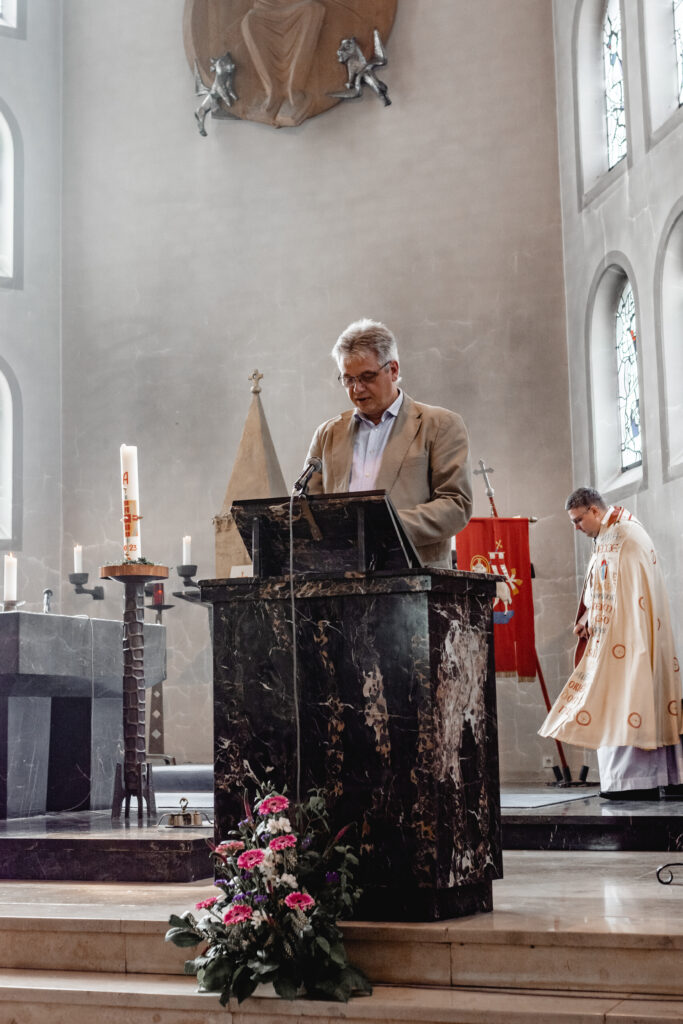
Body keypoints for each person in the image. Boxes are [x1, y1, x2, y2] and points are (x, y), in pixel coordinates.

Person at [539, 487, 683, 799]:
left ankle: (634, 782)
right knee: (623, 699)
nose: (577, 528)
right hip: (616, 633)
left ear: (593, 510)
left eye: (578, 520)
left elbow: (624, 594)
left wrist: (595, 619)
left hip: (628, 639)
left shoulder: (623, 537)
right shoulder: (609, 535)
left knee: (626, 698)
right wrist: (588, 617)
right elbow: (606, 590)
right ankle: (635, 780)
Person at [304, 318, 473, 568]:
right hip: (343, 578)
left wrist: (384, 528)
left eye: (367, 377)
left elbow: (456, 505)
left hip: (416, 577)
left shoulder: (440, 425)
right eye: (348, 379)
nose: (357, 389)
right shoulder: (327, 434)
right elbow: (308, 508)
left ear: (393, 370)